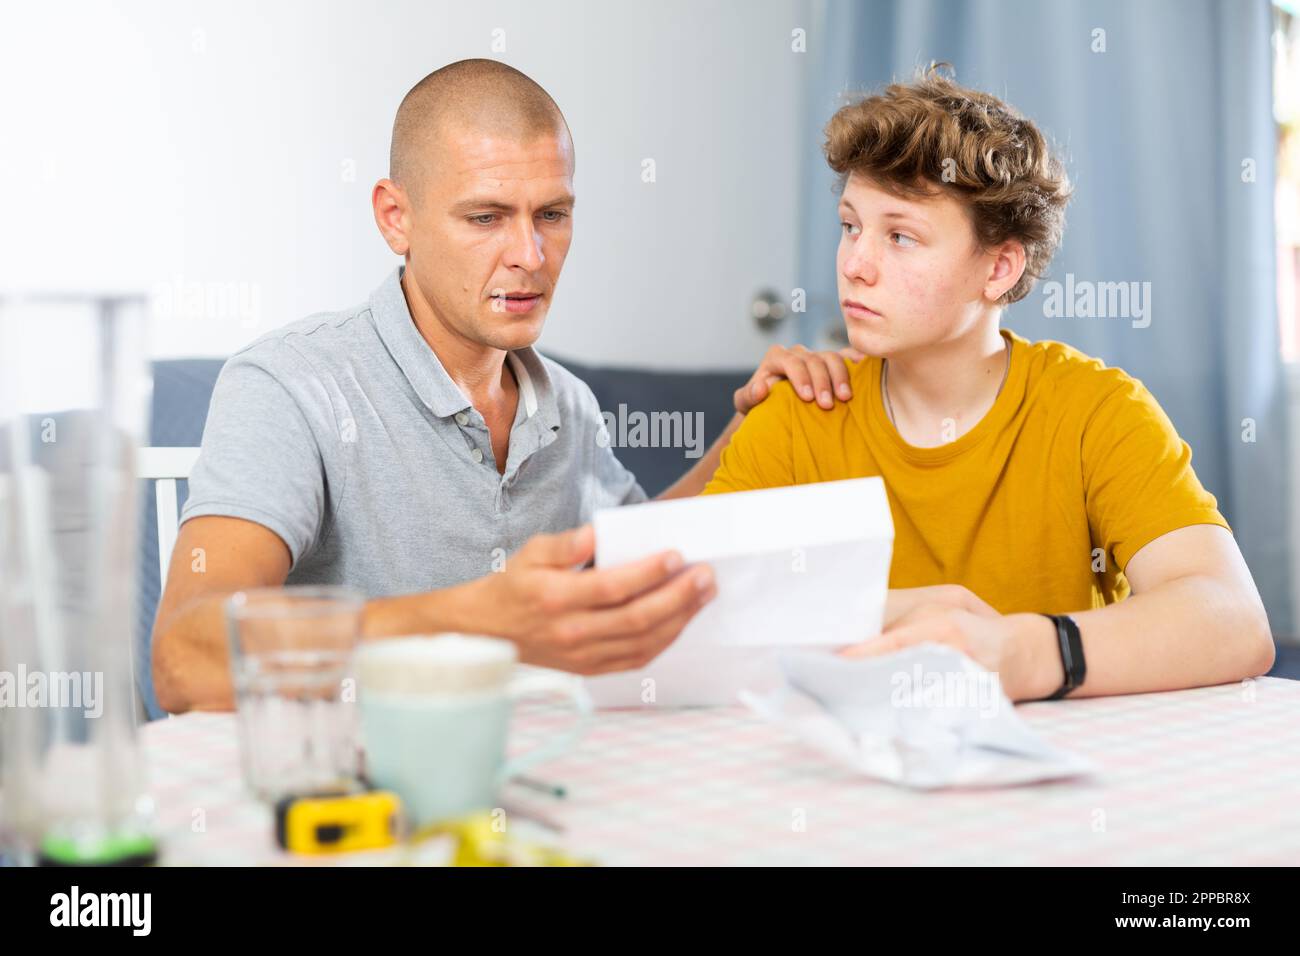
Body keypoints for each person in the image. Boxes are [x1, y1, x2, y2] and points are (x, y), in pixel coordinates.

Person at [151, 59, 855, 713]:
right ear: (396, 218)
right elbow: (185, 661)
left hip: (528, 773)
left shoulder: (567, 404)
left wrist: (748, 430)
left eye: (552, 214)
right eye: (485, 217)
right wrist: (478, 622)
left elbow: (628, 556)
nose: (530, 255)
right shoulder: (289, 384)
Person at [702, 66, 1275, 702]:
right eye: (850, 225)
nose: (855, 265)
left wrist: (1025, 653)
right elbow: (689, 610)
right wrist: (897, 611)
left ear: (999, 267)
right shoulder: (799, 410)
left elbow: (1234, 620)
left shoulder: (1095, 410)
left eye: (901, 236)